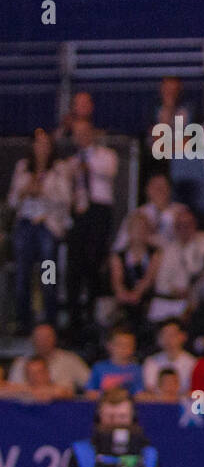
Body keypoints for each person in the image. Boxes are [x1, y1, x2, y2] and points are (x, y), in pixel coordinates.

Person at [7, 128, 71, 333]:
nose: (41, 149)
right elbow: (12, 201)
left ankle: (49, 321)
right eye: (38, 144)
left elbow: (66, 199)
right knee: (22, 275)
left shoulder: (59, 169)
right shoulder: (23, 167)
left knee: (48, 275)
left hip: (48, 226)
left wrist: (44, 192)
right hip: (26, 225)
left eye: (46, 144)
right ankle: (23, 321)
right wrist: (25, 191)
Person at [62, 118, 120, 336]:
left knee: (94, 263)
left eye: (85, 132)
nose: (81, 137)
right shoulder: (71, 161)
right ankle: (74, 317)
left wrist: (87, 166)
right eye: (77, 133)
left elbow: (110, 172)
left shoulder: (105, 155)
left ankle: (93, 315)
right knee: (74, 266)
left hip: (99, 211)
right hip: (79, 213)